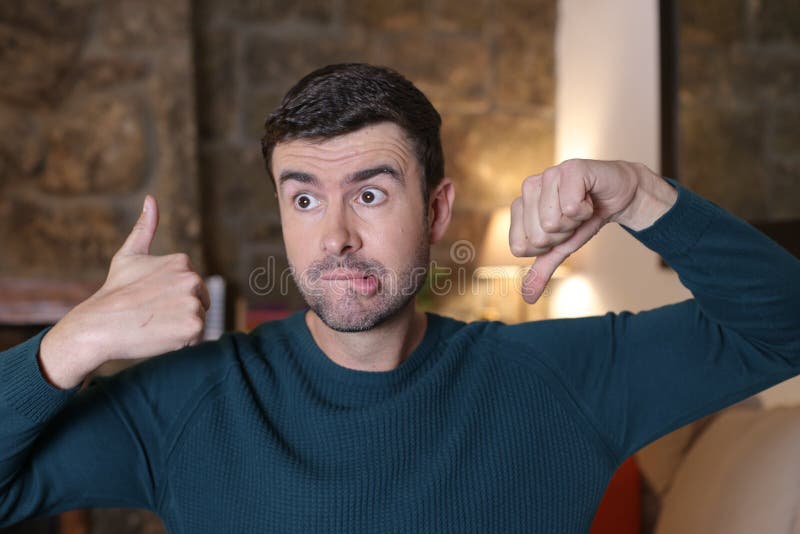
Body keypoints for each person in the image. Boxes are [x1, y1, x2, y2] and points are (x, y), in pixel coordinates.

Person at [1, 63, 798, 533]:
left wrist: (640, 195)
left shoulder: (557, 380)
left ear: (439, 210)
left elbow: (785, 328)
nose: (336, 236)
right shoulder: (191, 403)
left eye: (372, 195)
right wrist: (66, 345)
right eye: (304, 199)